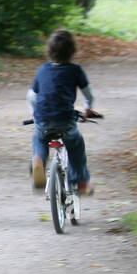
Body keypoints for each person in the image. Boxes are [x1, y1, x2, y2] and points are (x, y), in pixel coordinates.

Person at [28, 29, 95, 196]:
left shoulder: (43, 69)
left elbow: (31, 96)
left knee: (40, 138)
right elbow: (88, 95)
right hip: (65, 120)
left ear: (49, 50)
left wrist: (34, 113)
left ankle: (39, 160)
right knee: (76, 144)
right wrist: (88, 109)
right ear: (72, 51)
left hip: (43, 118)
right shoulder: (75, 70)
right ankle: (80, 182)